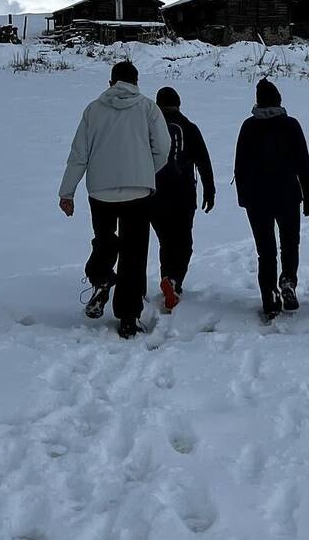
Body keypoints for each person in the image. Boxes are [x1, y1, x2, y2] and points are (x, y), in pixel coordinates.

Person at [58, 60, 171, 339]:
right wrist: (145, 171)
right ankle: (128, 318)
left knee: (105, 240)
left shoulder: (94, 110)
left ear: (111, 82)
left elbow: (79, 154)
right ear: (136, 82)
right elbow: (164, 148)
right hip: (138, 192)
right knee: (134, 253)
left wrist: (67, 192)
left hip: (101, 191)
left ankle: (102, 278)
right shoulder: (148, 108)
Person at [234, 78, 309, 321]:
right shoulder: (290, 125)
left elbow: (240, 165)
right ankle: (288, 280)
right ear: (279, 100)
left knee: (265, 251)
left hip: (256, 198)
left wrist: (243, 196)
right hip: (288, 195)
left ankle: (269, 297)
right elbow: (303, 162)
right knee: (290, 243)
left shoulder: (249, 126)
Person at [149, 86, 216, 311]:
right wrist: (210, 190)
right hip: (183, 195)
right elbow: (204, 162)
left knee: (165, 241)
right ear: (179, 104)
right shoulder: (189, 128)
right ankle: (175, 281)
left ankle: (167, 276)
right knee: (184, 242)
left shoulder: (148, 128)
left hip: (153, 195)